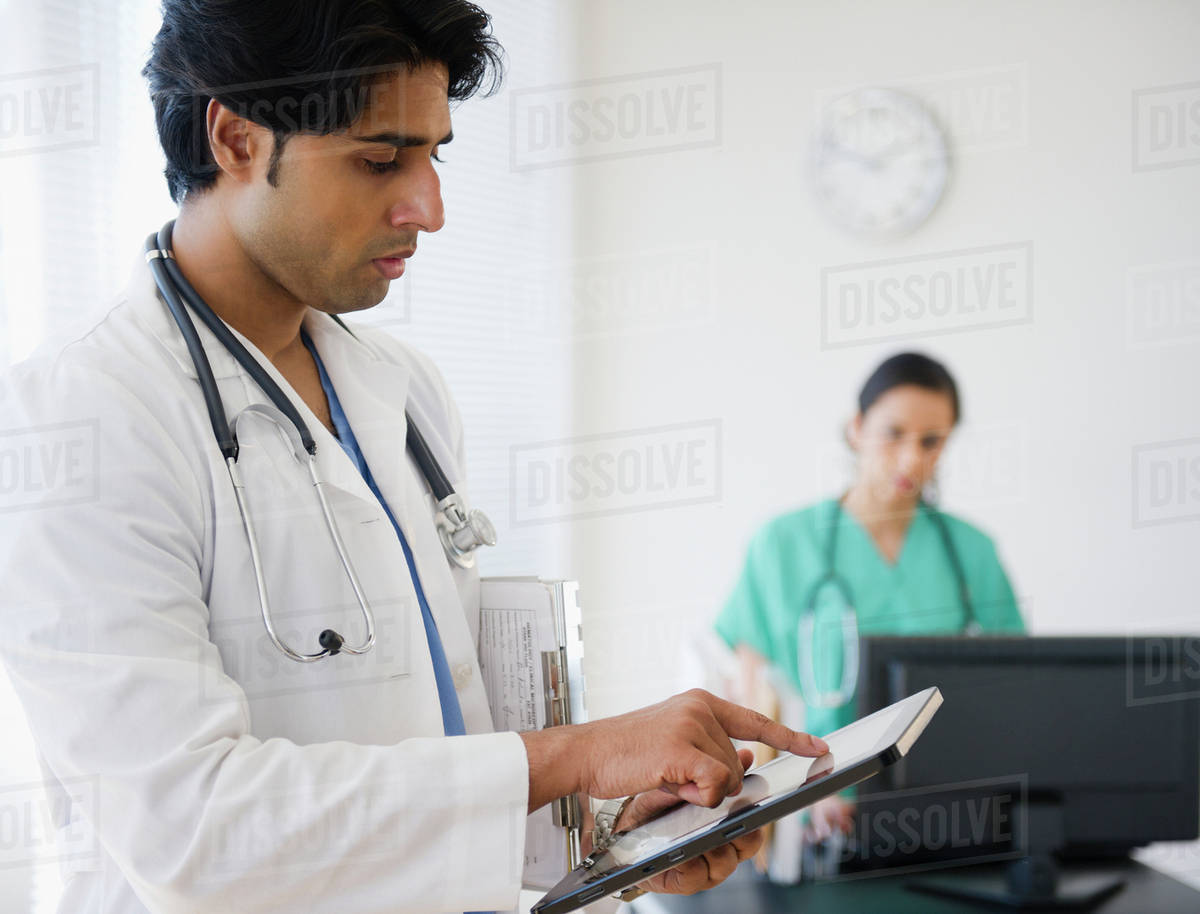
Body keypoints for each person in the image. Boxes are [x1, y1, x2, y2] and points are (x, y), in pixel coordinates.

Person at [0, 3, 830, 913]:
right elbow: (192, 832)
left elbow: (443, 740)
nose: (428, 209)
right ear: (236, 138)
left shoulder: (402, 391)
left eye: (435, 155)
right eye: (380, 159)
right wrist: (579, 751)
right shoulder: (80, 419)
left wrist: (613, 826)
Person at [714, 352, 1026, 849]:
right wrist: (802, 789)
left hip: (949, 814)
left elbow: (1014, 686)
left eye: (931, 441)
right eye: (893, 433)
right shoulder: (783, 544)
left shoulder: (973, 553)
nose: (911, 459)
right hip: (818, 817)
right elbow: (752, 703)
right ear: (857, 428)